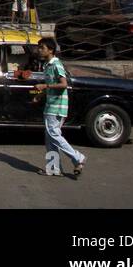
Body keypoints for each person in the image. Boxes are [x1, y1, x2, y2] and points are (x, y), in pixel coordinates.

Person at [33, 37, 85, 178]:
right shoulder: (47, 65)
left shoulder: (56, 64)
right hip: (51, 104)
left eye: (42, 48)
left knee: (54, 134)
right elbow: (52, 84)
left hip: (58, 106)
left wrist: (45, 86)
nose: (39, 50)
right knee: (50, 138)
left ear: (50, 50)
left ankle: (77, 158)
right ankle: (53, 169)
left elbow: (63, 84)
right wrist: (41, 94)